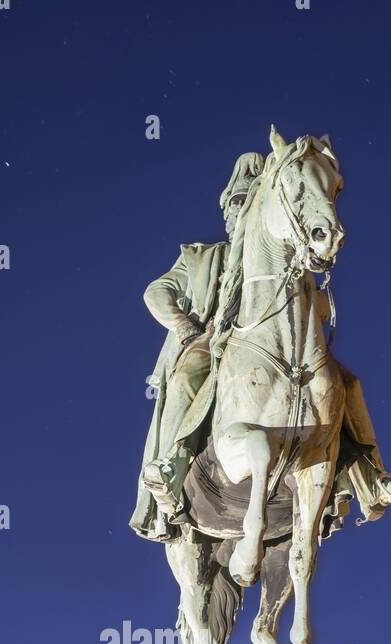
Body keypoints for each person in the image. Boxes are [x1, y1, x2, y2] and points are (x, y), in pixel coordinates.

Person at [130, 152, 264, 542]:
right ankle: (171, 467)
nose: (241, 213)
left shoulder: (276, 263)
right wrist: (185, 327)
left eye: (250, 203)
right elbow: (156, 293)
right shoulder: (199, 258)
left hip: (263, 345)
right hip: (210, 339)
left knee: (338, 382)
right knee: (190, 374)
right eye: (236, 204)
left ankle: (361, 477)